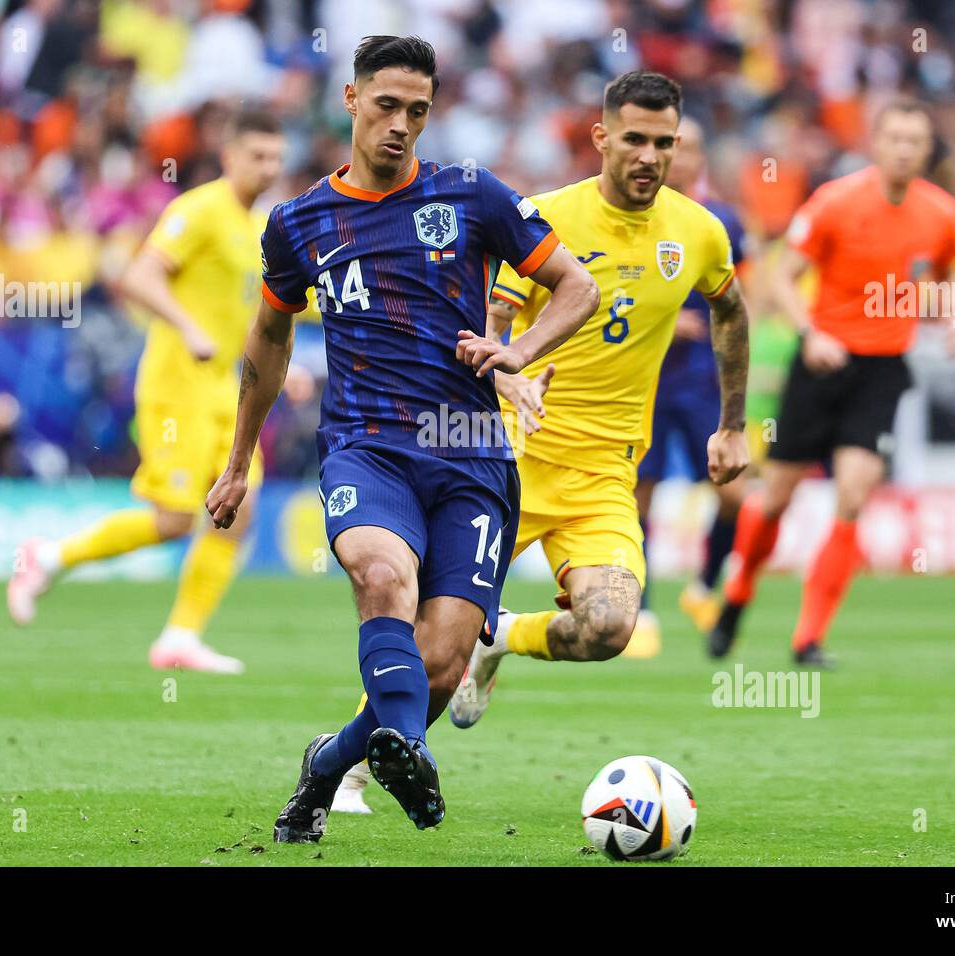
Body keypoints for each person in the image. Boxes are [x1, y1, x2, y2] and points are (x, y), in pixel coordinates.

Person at [204, 35, 599, 842]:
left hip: (471, 452)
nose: (401, 125)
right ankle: (409, 755)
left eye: (418, 111)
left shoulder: (473, 196)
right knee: (382, 576)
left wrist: (519, 352)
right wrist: (238, 462)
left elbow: (577, 287)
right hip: (368, 446)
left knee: (442, 667)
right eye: (386, 105)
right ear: (351, 100)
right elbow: (267, 344)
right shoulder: (298, 223)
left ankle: (328, 763)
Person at [438, 70, 749, 731]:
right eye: (634, 139)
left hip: (605, 474)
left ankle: (504, 638)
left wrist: (732, 426)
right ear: (601, 136)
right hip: (509, 461)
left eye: (664, 142)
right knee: (436, 633)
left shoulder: (699, 232)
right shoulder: (545, 218)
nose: (649, 157)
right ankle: (339, 777)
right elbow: (488, 330)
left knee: (610, 627)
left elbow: (731, 312)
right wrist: (505, 376)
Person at [6, 106, 285, 674]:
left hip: (222, 389)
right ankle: (50, 555)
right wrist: (187, 327)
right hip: (176, 384)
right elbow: (137, 276)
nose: (268, 167)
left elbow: (252, 310)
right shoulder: (200, 209)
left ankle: (181, 636)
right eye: (257, 155)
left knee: (241, 504)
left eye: (277, 158)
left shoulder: (257, 226)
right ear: (229, 155)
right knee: (174, 519)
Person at [710, 98, 955, 668]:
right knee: (775, 498)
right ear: (876, 144)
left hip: (882, 370)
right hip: (822, 363)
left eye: (915, 141)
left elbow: (946, 279)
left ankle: (808, 638)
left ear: (927, 151)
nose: (904, 149)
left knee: (852, 496)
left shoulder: (943, 214)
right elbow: (781, 277)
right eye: (895, 138)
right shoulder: (835, 203)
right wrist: (811, 333)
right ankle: (737, 596)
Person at [633, 115, 750, 641]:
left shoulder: (721, 222)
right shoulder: (631, 218)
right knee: (640, 496)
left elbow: (738, 299)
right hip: (645, 380)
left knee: (733, 494)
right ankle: (642, 610)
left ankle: (703, 584)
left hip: (703, 380)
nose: (682, 157)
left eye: (691, 148)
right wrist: (656, 318)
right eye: (674, 147)